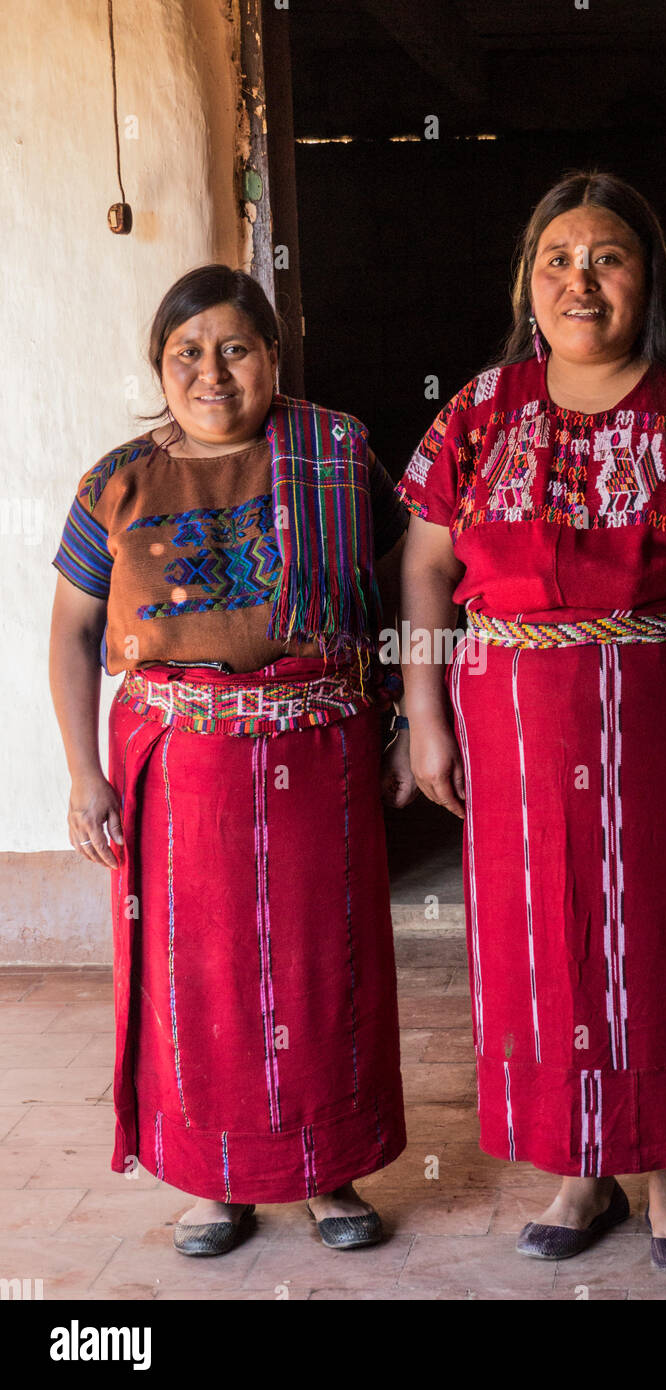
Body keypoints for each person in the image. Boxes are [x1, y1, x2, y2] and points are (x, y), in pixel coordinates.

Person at [397, 171, 666, 1274]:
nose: (580, 280)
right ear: (528, 282)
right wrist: (422, 710)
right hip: (519, 729)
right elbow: (427, 562)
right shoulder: (480, 410)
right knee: (547, 948)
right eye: (557, 260)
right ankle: (580, 1166)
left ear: (647, 277)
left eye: (607, 258)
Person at [49, 264, 414, 1256]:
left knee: (314, 969)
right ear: (159, 369)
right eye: (186, 354)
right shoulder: (116, 479)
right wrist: (85, 774)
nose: (212, 374)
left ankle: (325, 1171)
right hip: (176, 771)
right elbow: (75, 634)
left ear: (274, 356)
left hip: (318, 754)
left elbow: (411, 588)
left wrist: (407, 723)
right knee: (196, 975)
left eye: (236, 348)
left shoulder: (337, 457)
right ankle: (216, 1181)